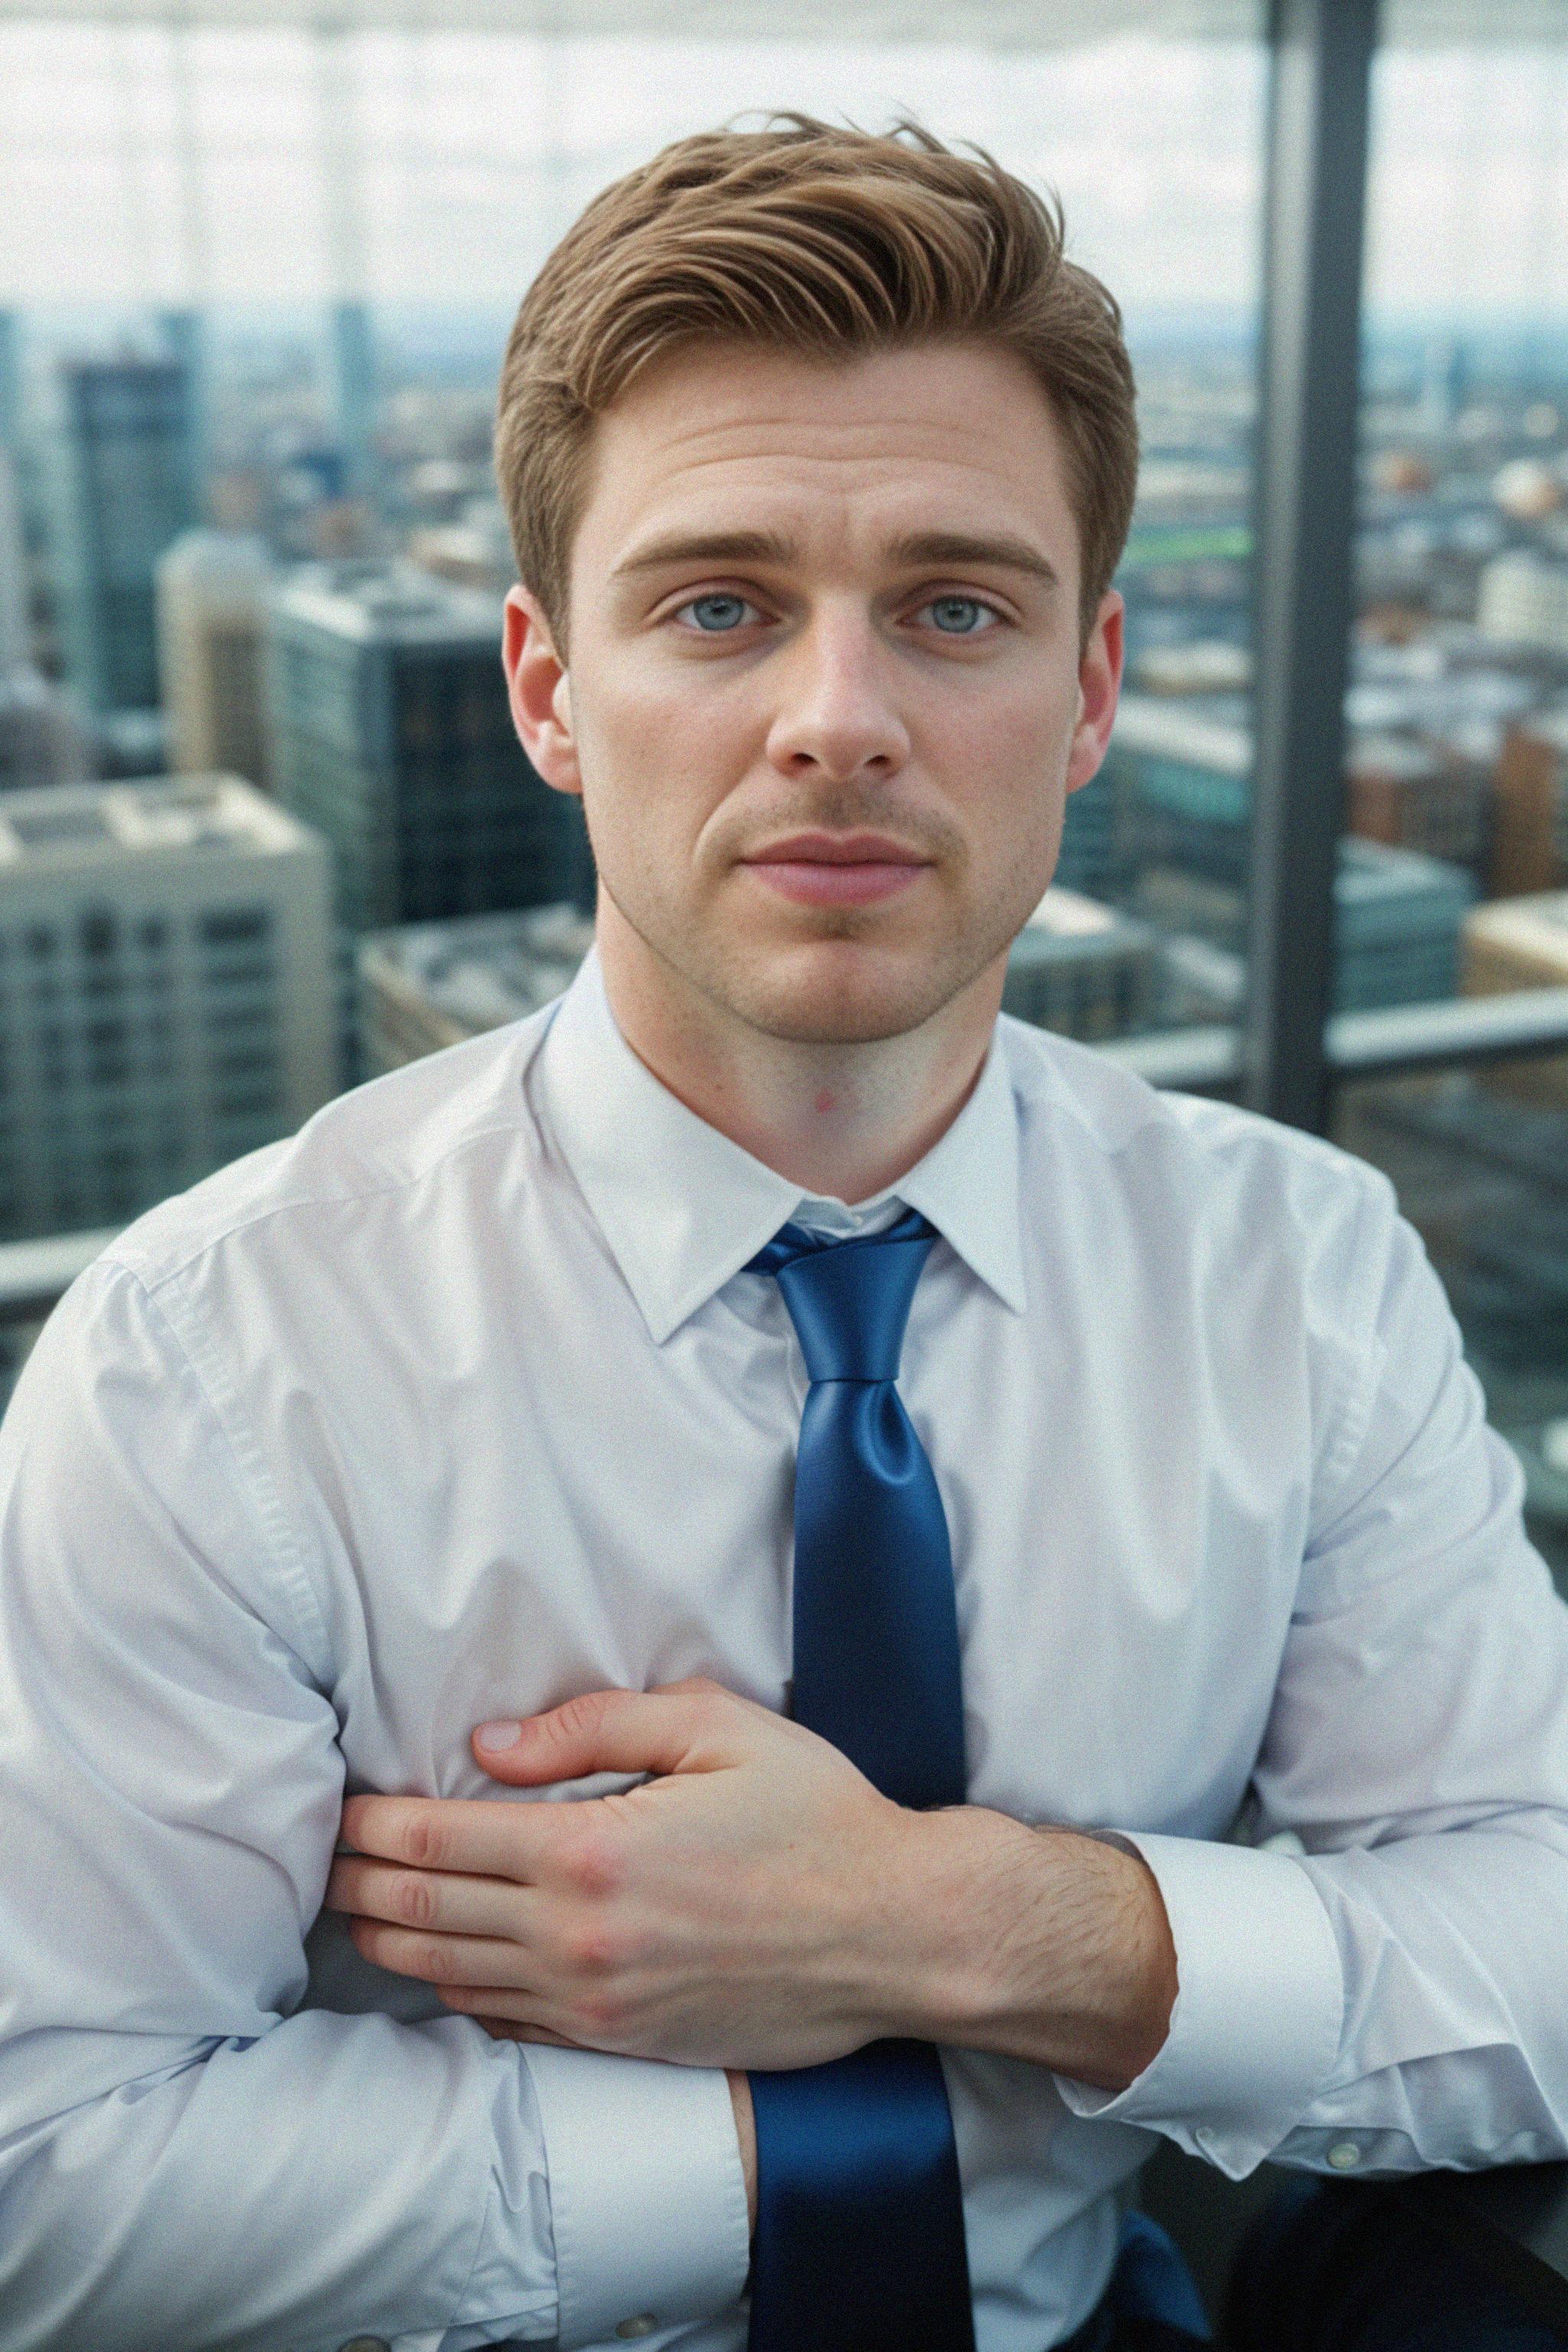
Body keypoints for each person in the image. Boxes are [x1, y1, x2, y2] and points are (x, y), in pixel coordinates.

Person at [2, 115, 1567, 2352]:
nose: (839, 721)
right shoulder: (210, 1360)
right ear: (550, 689)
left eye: (954, 608)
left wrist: (957, 1924)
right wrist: (793, 2151)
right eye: (720, 606)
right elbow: (48, 2174)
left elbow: (1549, 1932)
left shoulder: (1294, 1275)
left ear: (1096, 688)